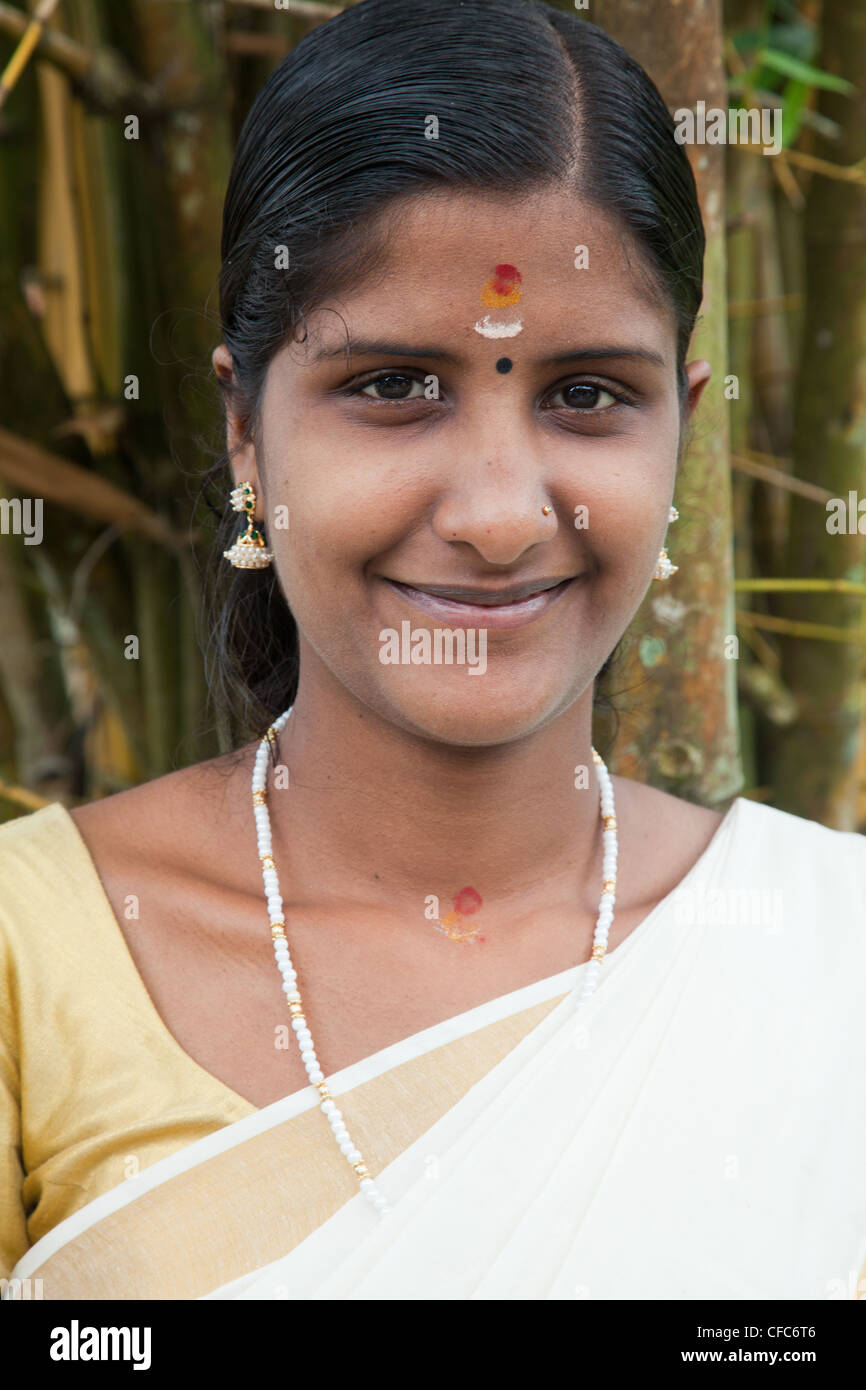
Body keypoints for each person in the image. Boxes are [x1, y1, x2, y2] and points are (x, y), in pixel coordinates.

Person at [2, 0, 864, 1301]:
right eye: (394, 386)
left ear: (679, 431)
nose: (499, 513)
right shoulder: (32, 950)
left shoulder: (821, 956)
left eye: (586, 395)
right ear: (246, 430)